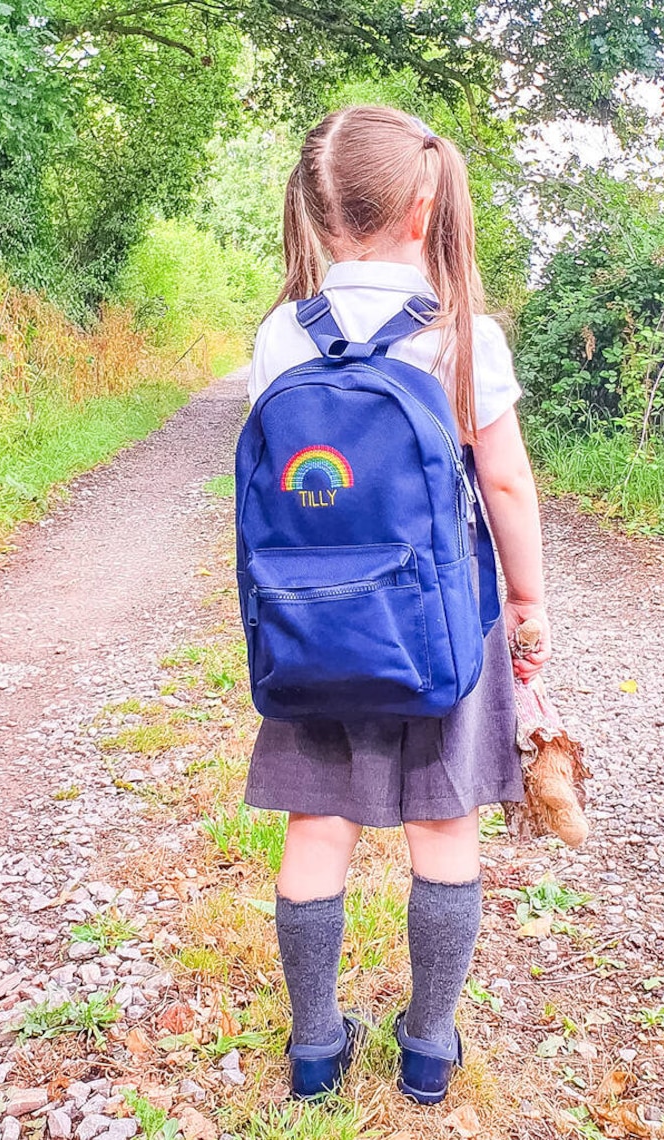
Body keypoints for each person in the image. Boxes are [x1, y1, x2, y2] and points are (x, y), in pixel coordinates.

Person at [243, 104, 551, 1105]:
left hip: (311, 631)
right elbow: (504, 484)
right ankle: (426, 1047)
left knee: (315, 830)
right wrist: (527, 603)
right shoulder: (463, 334)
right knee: (445, 830)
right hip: (439, 634)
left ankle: (316, 1050)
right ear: (425, 208)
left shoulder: (281, 332)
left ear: (319, 213)